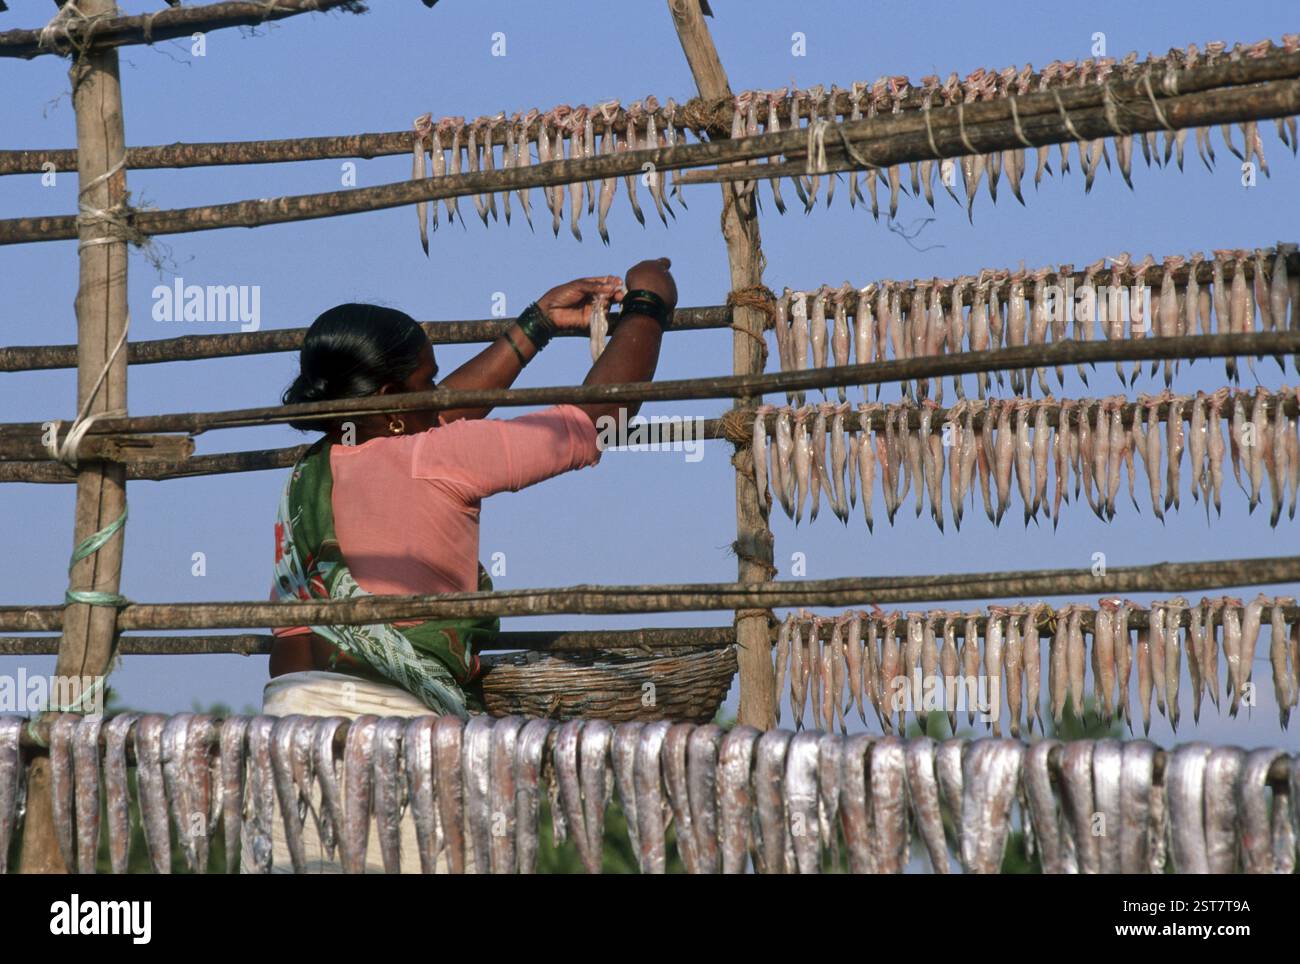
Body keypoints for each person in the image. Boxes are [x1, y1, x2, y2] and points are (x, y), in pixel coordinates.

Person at [251, 258, 677, 873]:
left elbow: (434, 418)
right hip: (388, 738)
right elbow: (597, 420)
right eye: (431, 379)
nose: (446, 393)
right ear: (394, 401)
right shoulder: (437, 457)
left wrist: (534, 327)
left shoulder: (311, 471)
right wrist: (649, 308)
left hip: (285, 734)